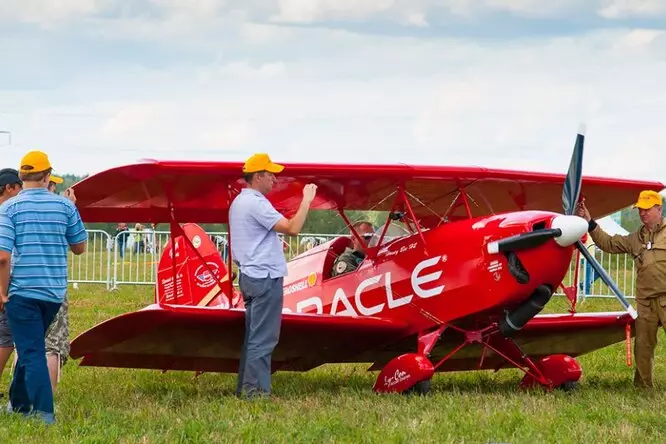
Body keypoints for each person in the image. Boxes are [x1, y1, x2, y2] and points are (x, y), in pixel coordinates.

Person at [0, 151, 87, 424]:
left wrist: (2, 292)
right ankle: (20, 406)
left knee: (31, 352)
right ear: (48, 175)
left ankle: (44, 414)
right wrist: (71, 208)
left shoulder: (8, 209)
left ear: (22, 177)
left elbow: (3, 257)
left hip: (22, 291)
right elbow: (80, 247)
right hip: (53, 293)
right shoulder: (65, 207)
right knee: (31, 348)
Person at [228, 153, 316, 399]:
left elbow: (253, 237)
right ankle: (255, 393)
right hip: (265, 278)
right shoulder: (256, 202)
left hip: (250, 276)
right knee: (264, 339)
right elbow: (293, 228)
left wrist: (273, 245)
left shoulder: (240, 202)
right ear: (258, 177)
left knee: (254, 337)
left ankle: (245, 389)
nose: (274, 180)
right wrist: (306, 200)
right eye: (270, 175)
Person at [577, 190, 666, 388]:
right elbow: (608, 243)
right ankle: (643, 388)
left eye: (647, 209)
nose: (642, 213)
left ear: (659, 209)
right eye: (640, 210)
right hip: (645, 303)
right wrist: (590, 222)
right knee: (643, 347)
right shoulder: (635, 238)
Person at [0, 169, 22, 389]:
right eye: (19, 188)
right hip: (3, 283)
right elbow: (3, 258)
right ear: (9, 188)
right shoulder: (5, 213)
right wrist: (3, 290)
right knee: (6, 336)